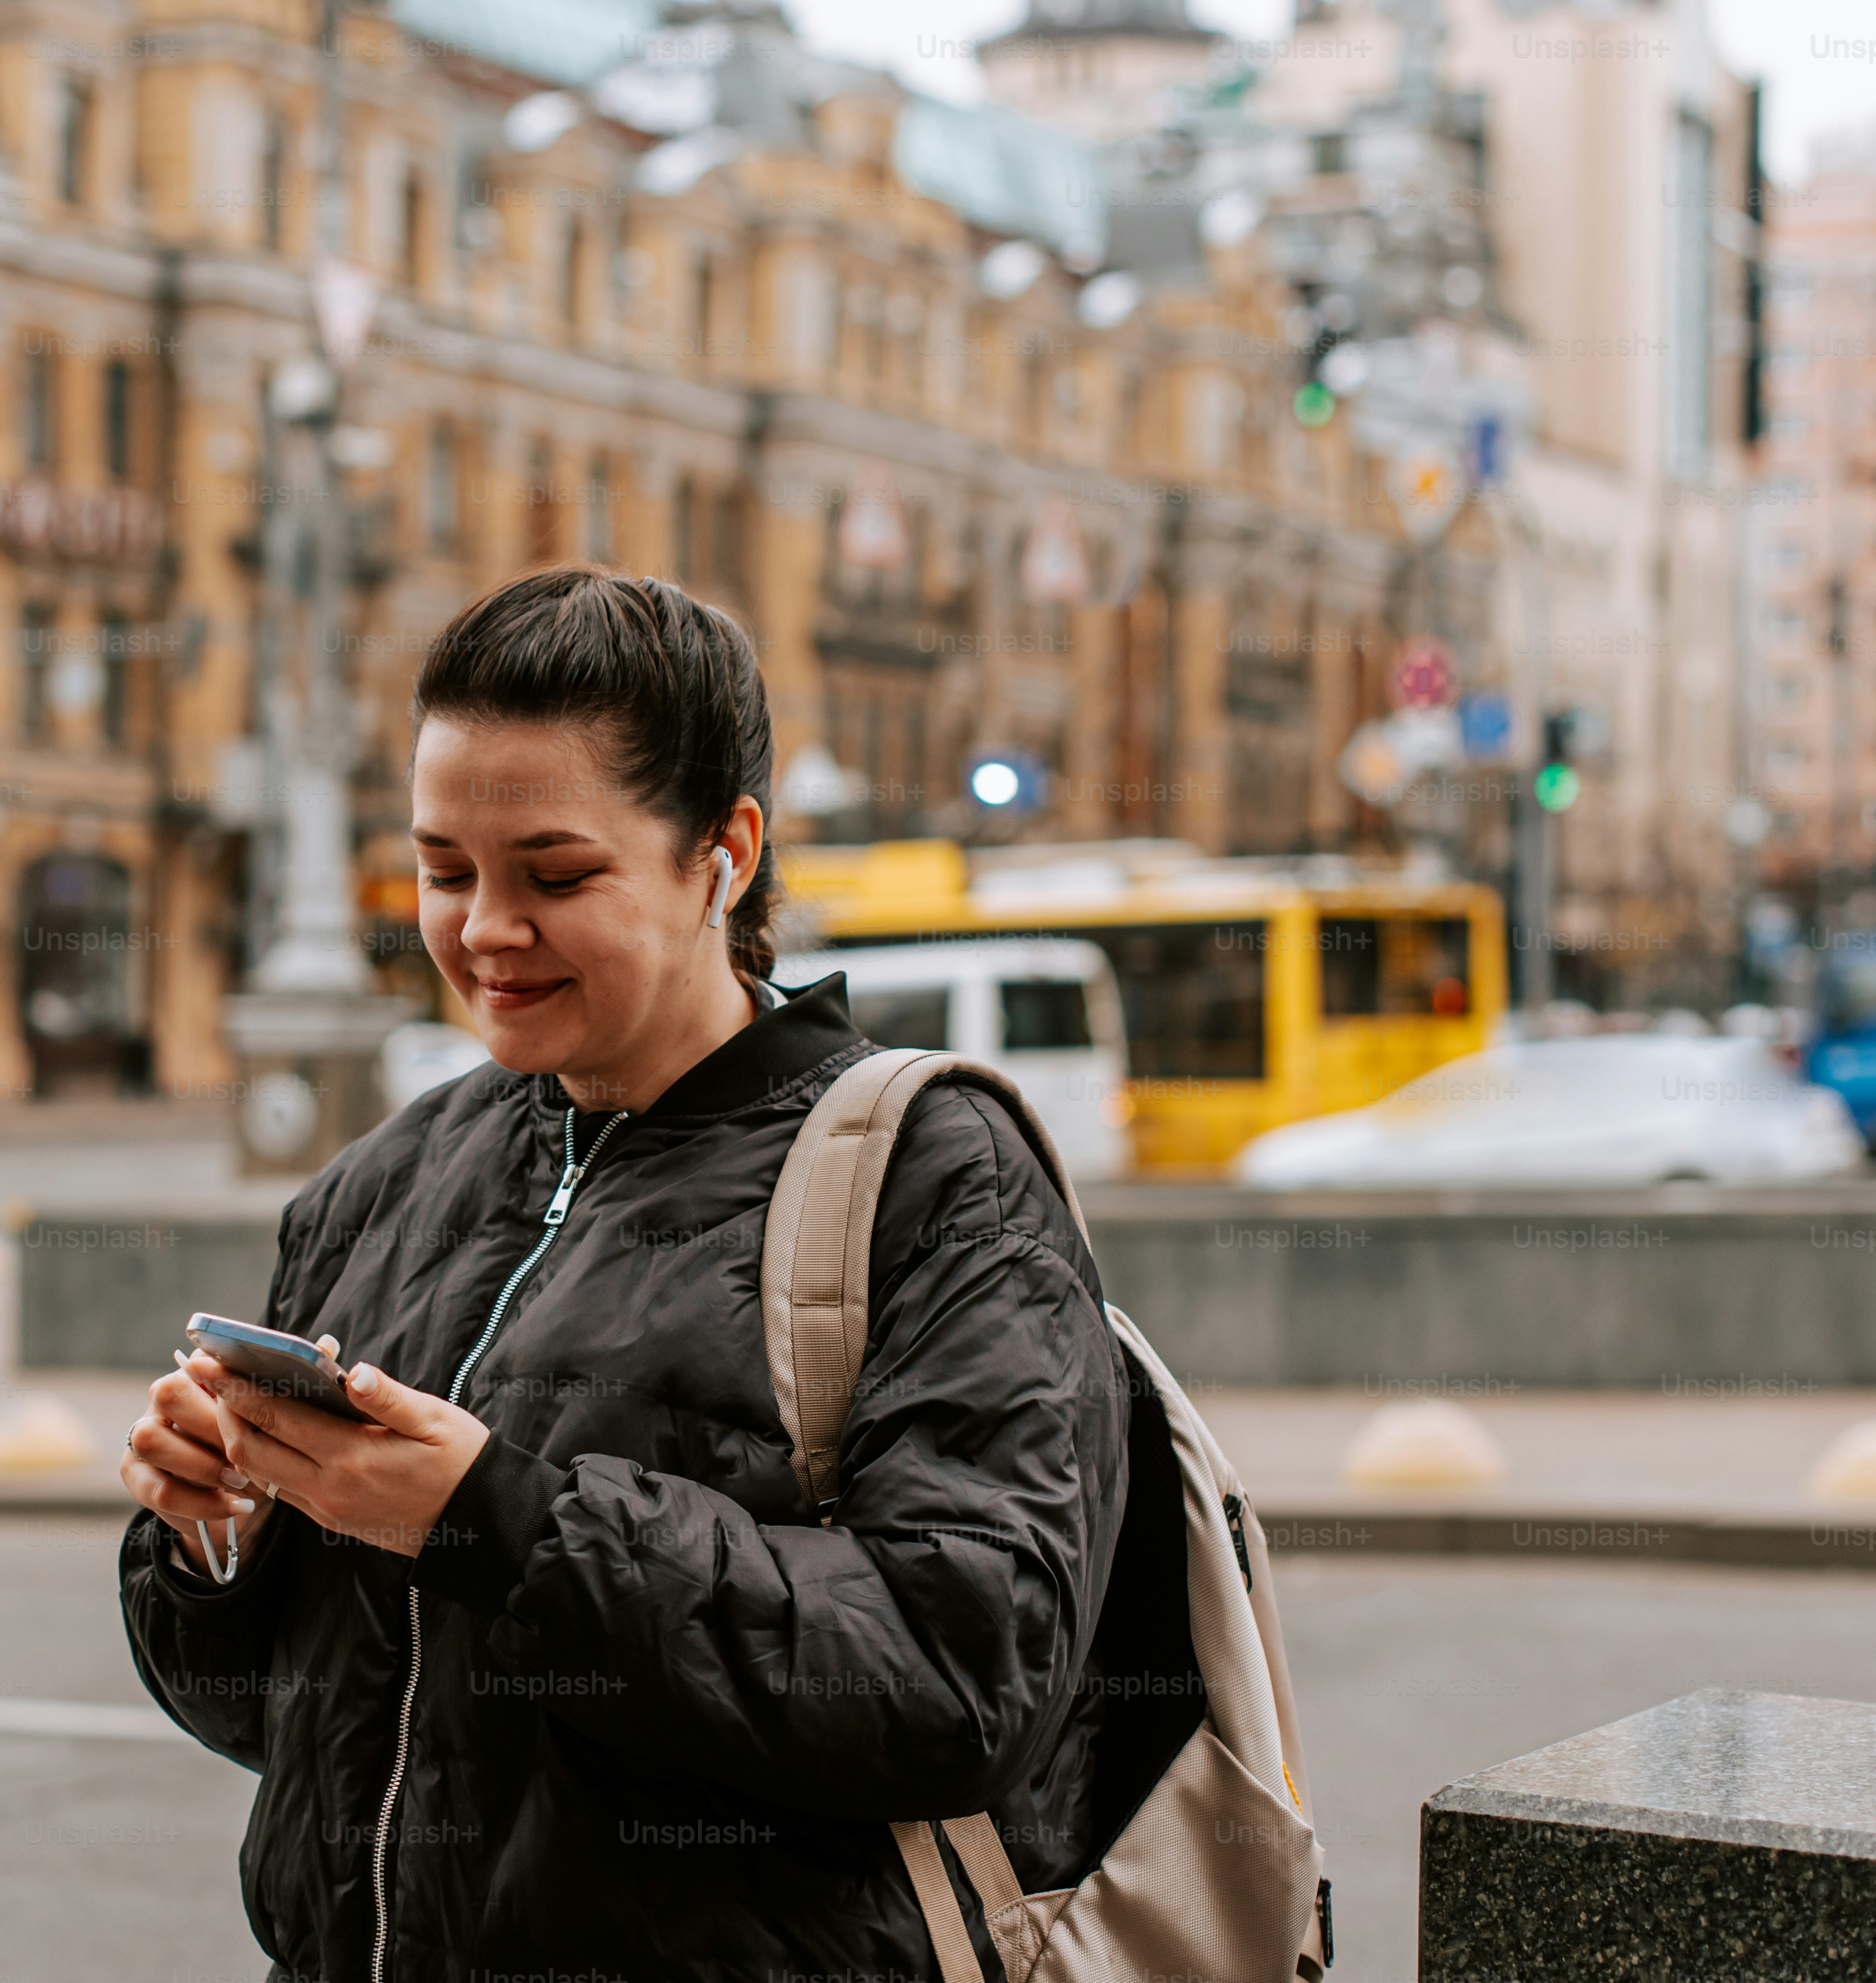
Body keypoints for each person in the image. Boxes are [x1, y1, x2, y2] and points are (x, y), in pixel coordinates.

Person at [119, 569, 1136, 1979]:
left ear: (723, 850)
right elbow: (293, 1721)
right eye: (443, 869)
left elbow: (970, 1681)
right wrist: (215, 1539)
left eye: (556, 873)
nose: (481, 929)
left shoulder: (931, 1174)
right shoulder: (392, 1177)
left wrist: (502, 1520)